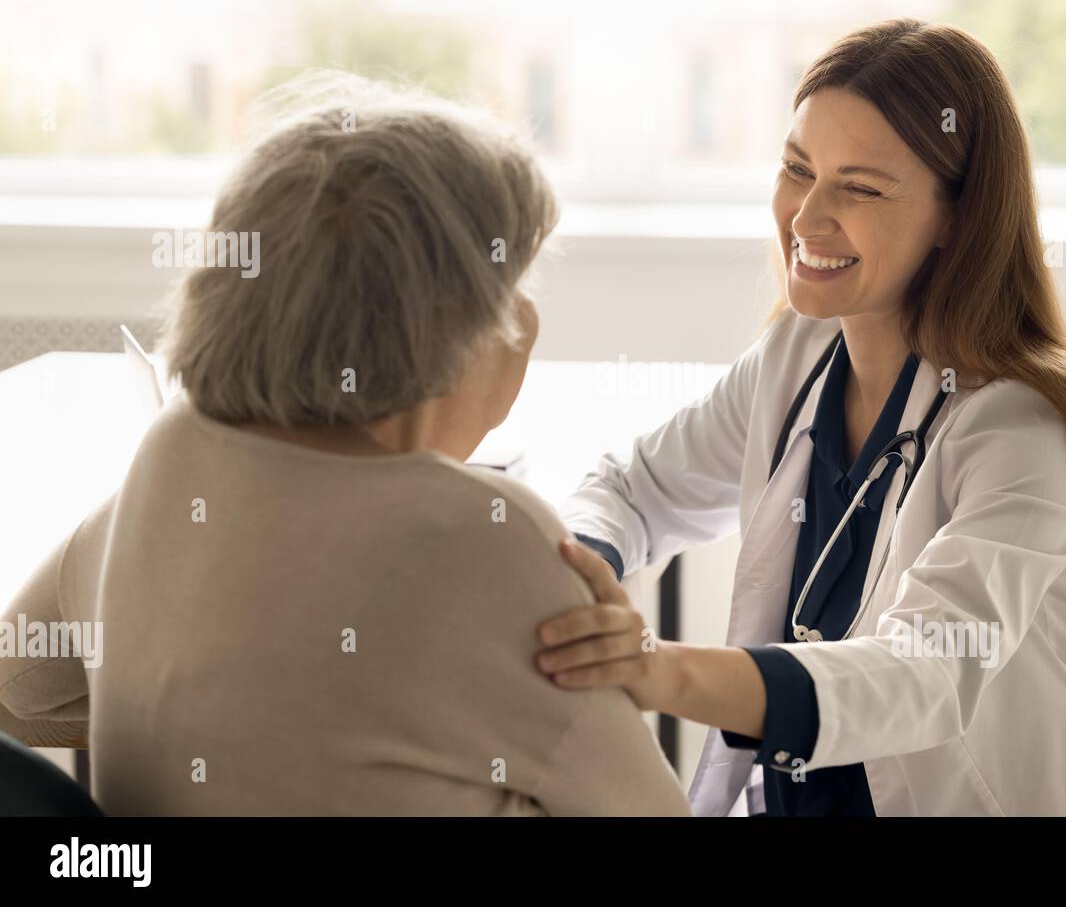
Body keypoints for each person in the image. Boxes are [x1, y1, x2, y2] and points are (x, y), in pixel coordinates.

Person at [0, 73, 689, 817]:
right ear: (460, 332)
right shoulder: (497, 540)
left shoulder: (169, 459)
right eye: (513, 288)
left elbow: (17, 690)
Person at [536, 19, 1066, 817]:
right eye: (798, 169)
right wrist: (581, 565)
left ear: (956, 220)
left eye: (859, 187)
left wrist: (658, 669)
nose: (806, 217)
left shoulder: (1021, 433)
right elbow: (631, 484)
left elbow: (923, 672)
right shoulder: (797, 357)